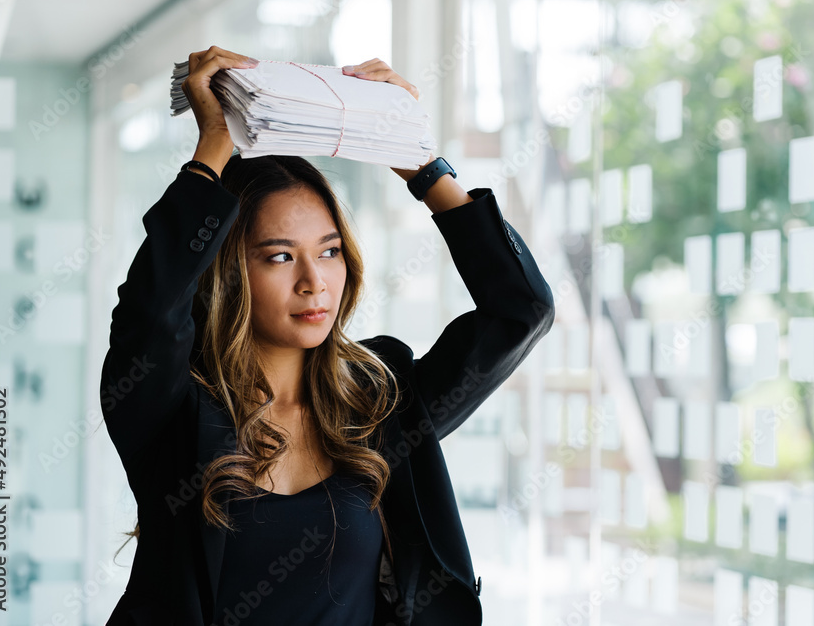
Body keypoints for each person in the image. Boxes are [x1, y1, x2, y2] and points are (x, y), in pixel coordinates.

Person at [99, 45, 556, 625]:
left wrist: (422, 164)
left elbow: (522, 310)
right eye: (280, 256)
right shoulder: (168, 407)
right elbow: (151, 310)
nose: (315, 282)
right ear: (229, 271)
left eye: (330, 251)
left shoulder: (380, 401)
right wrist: (213, 146)